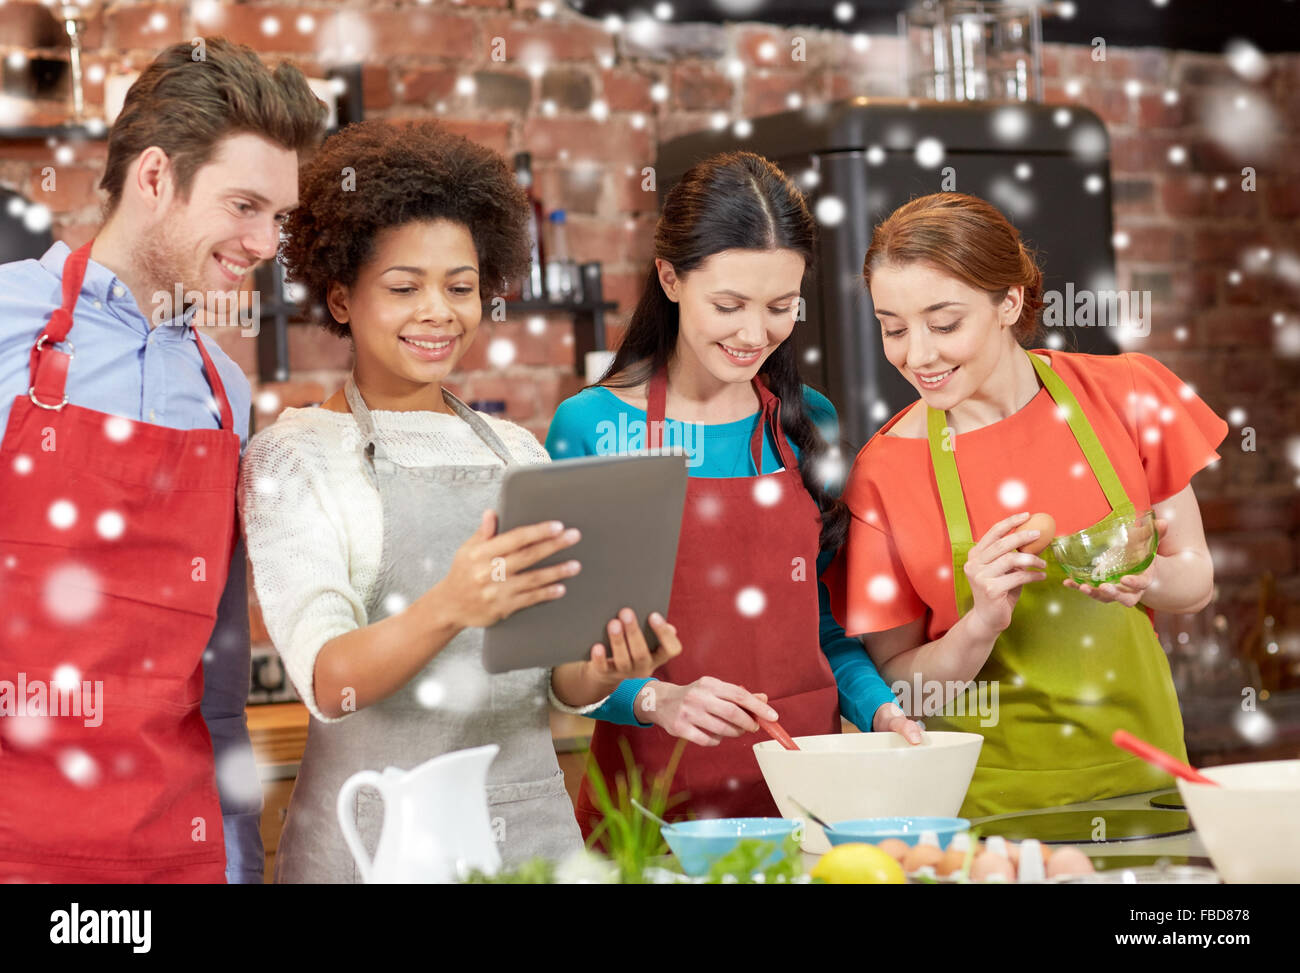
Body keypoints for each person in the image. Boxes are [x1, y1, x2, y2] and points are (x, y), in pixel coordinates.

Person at [240, 119, 679, 882]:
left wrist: (610, 665)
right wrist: (450, 603)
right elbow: (328, 681)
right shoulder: (299, 454)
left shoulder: (518, 453)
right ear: (341, 298)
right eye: (404, 287)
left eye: (462, 286)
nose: (438, 311)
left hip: (530, 841)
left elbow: (557, 683)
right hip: (377, 846)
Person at [0, 39, 325, 883]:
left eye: (279, 217)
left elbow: (217, 681)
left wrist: (238, 861)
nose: (266, 242)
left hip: (174, 846)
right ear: (153, 178)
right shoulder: (6, 327)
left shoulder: (221, 387)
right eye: (245, 205)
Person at [546, 151, 922, 833]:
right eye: (728, 305)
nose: (756, 334)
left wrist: (880, 708)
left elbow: (827, 631)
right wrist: (655, 697)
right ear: (669, 277)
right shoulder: (592, 427)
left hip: (804, 801)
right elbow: (566, 665)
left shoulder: (811, 423)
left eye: (781, 307)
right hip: (651, 818)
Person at [826, 192, 1226, 819]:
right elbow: (903, 691)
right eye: (893, 328)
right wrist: (980, 621)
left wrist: (1149, 577)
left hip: (1149, 791)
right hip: (986, 814)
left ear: (1009, 300)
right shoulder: (884, 472)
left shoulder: (1126, 395)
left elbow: (1197, 579)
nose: (918, 355)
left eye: (945, 322)